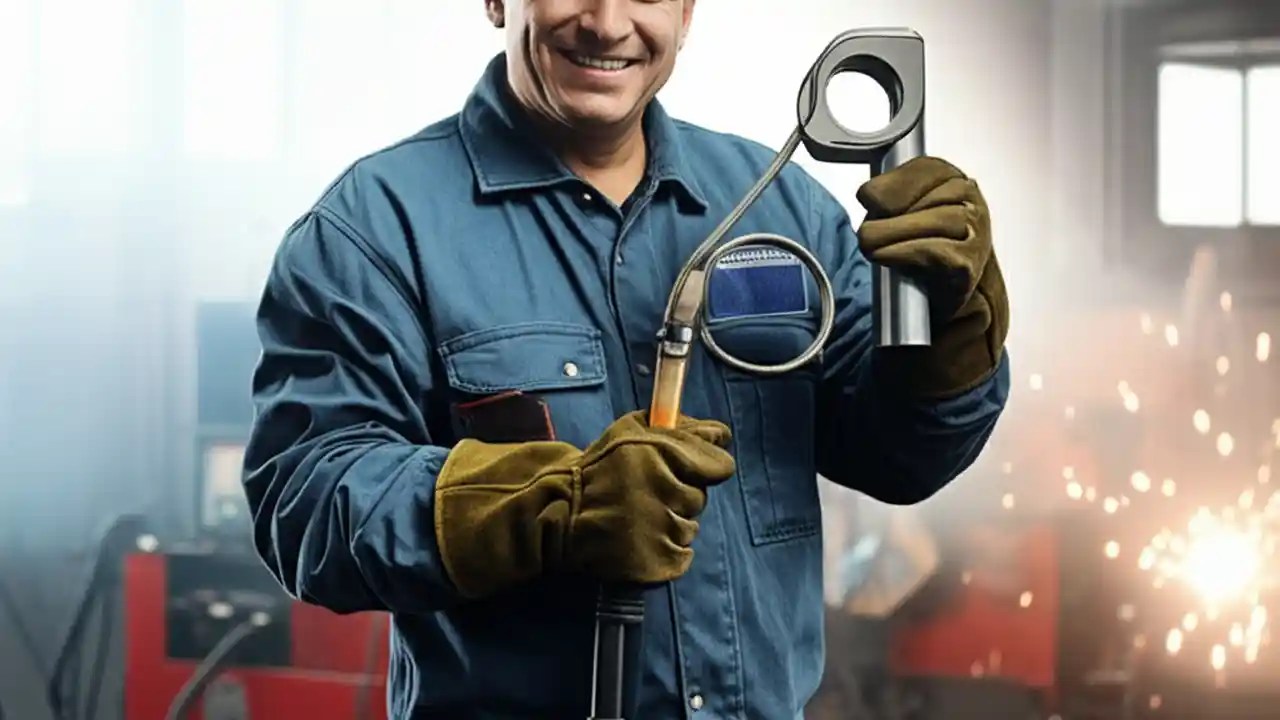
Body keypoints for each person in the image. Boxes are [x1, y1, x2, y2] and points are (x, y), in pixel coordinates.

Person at [242, 1, 1012, 718]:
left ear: (685, 10)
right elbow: (306, 502)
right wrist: (548, 506)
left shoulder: (781, 209)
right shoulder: (374, 229)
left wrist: (950, 330)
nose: (608, 24)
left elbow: (899, 459)